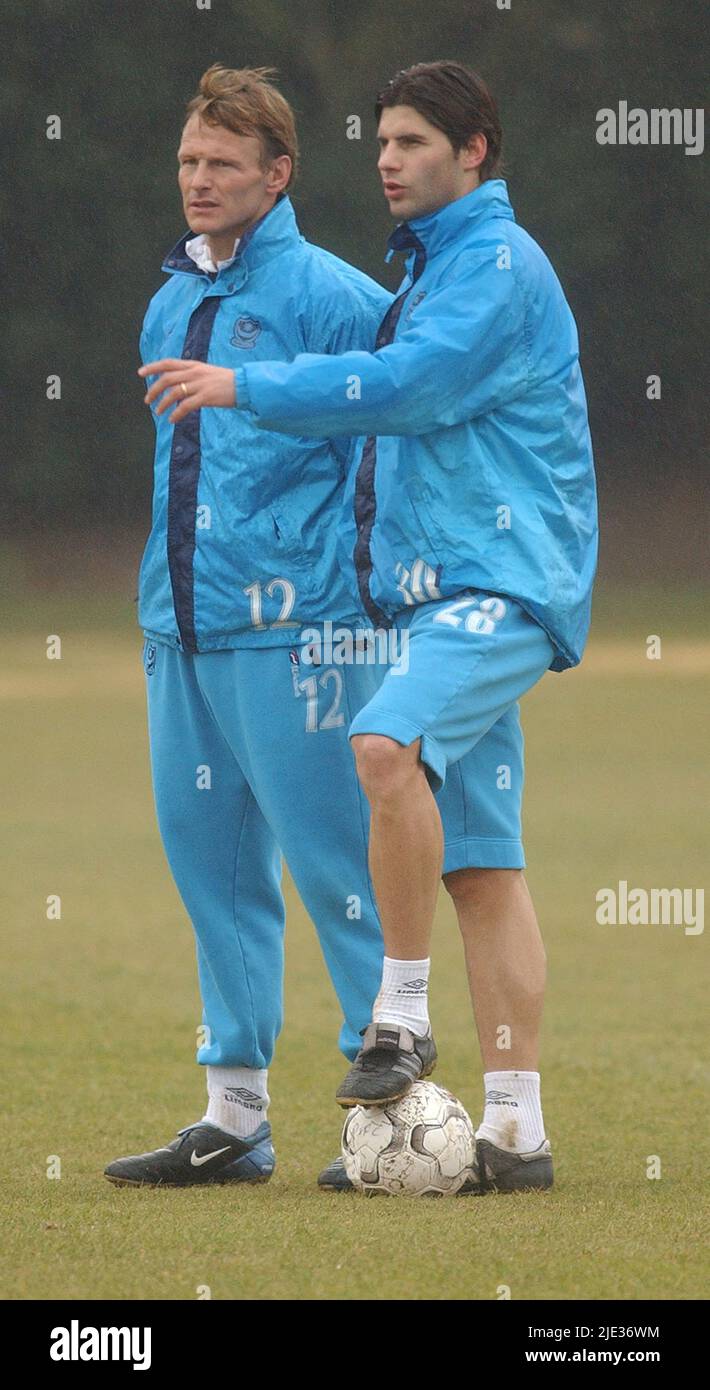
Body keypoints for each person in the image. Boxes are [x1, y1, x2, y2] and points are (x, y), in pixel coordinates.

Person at [142, 61, 598, 1195]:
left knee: (377, 752)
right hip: (414, 594)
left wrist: (245, 388)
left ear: (473, 149)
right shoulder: (430, 267)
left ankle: (393, 1029)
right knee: (483, 866)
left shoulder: (486, 264)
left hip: (480, 587)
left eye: (409, 143)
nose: (386, 160)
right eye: (382, 142)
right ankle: (512, 1136)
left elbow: (405, 387)